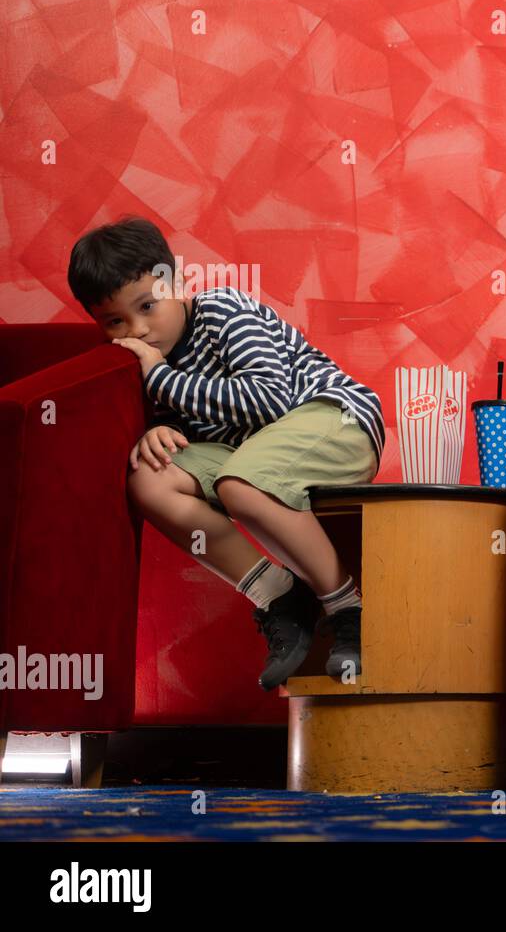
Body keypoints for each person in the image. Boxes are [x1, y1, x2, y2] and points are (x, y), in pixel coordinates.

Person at [67, 216, 385, 689]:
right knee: (148, 476)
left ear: (178, 283)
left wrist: (161, 380)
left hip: (333, 420)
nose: (140, 330)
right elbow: (197, 427)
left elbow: (269, 399)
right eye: (116, 321)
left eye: (149, 305)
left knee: (242, 483)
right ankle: (277, 595)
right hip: (252, 457)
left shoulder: (220, 310)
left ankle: (348, 610)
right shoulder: (148, 365)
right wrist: (162, 432)